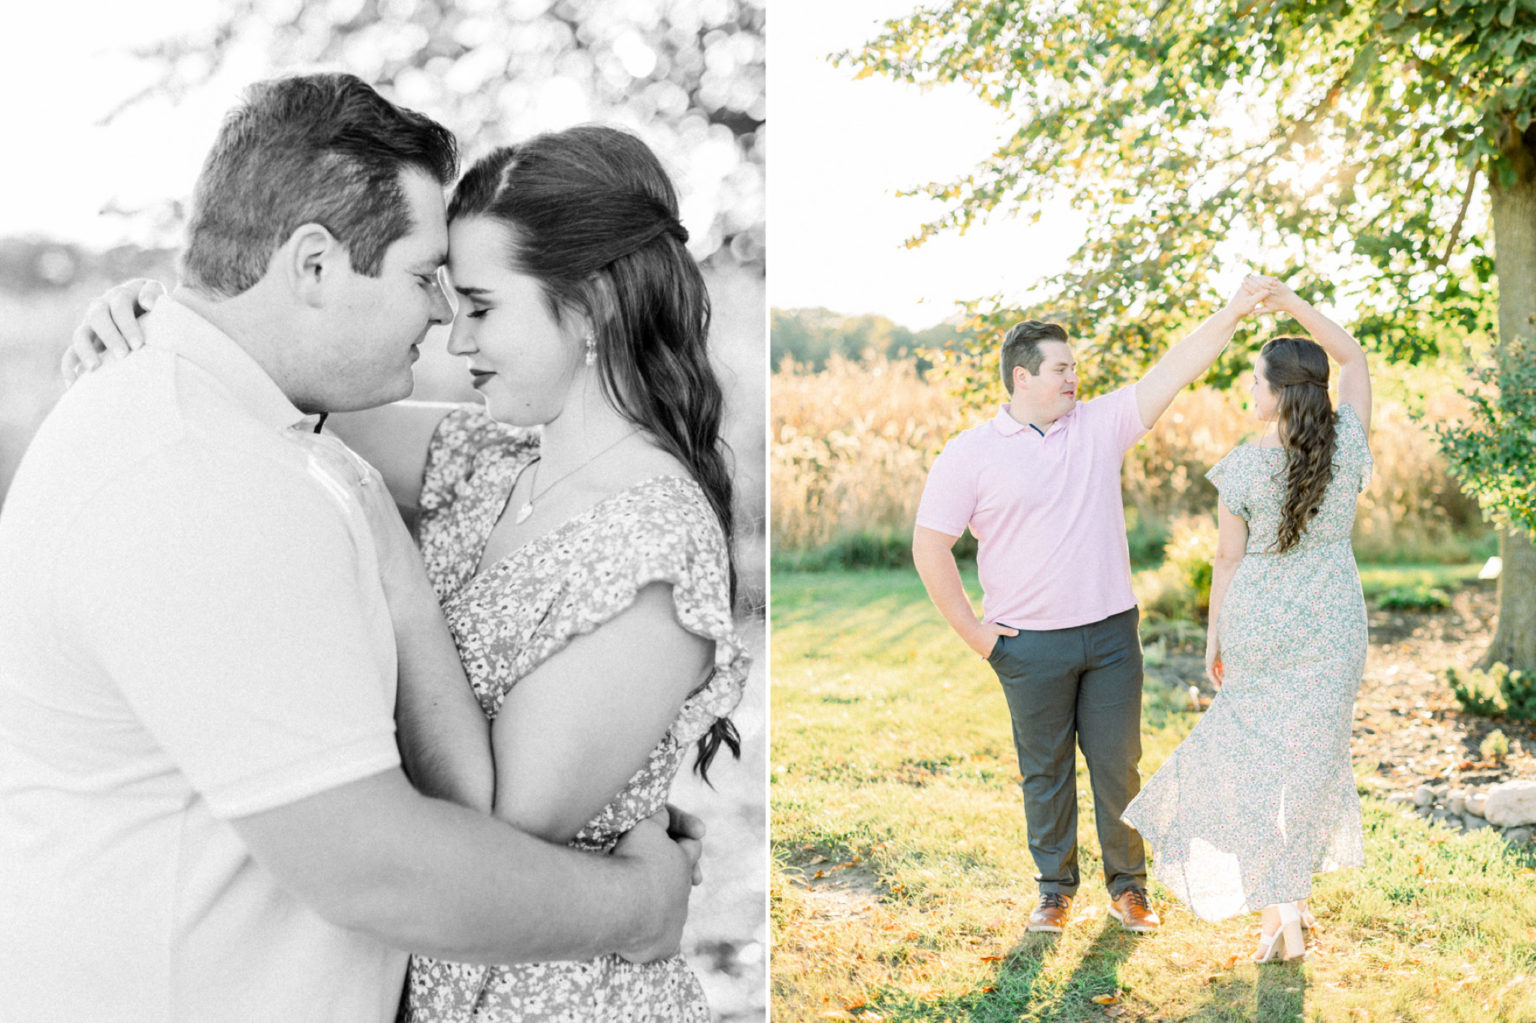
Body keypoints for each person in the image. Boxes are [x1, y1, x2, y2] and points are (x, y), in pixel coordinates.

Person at [0, 73, 703, 1023]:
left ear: (589, 312)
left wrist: (171, 327)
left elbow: (280, 389)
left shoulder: (233, 429)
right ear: (317, 265)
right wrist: (645, 901)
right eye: (426, 282)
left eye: (476, 303)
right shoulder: (199, 465)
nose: (443, 327)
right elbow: (379, 865)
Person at [911, 277, 1273, 935]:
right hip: (1028, 646)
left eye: (1075, 366)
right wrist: (979, 635)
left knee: (1118, 767)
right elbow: (930, 545)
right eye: (1061, 368)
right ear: (1022, 377)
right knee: (1044, 773)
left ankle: (1128, 889)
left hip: (1109, 636)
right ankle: (1054, 892)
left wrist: (1234, 310)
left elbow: (1177, 368)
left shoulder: (1101, 425)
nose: (1074, 376)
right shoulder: (971, 453)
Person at [1122, 276, 1371, 963]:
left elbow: (1225, 563)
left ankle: (1280, 917)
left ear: (1278, 390)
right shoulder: (1347, 441)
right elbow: (1352, 359)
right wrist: (1290, 304)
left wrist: (1215, 639)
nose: (1248, 393)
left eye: (1256, 380)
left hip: (1261, 626)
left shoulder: (1241, 466)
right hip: (1333, 628)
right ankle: (1287, 910)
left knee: (1258, 769)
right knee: (1309, 769)